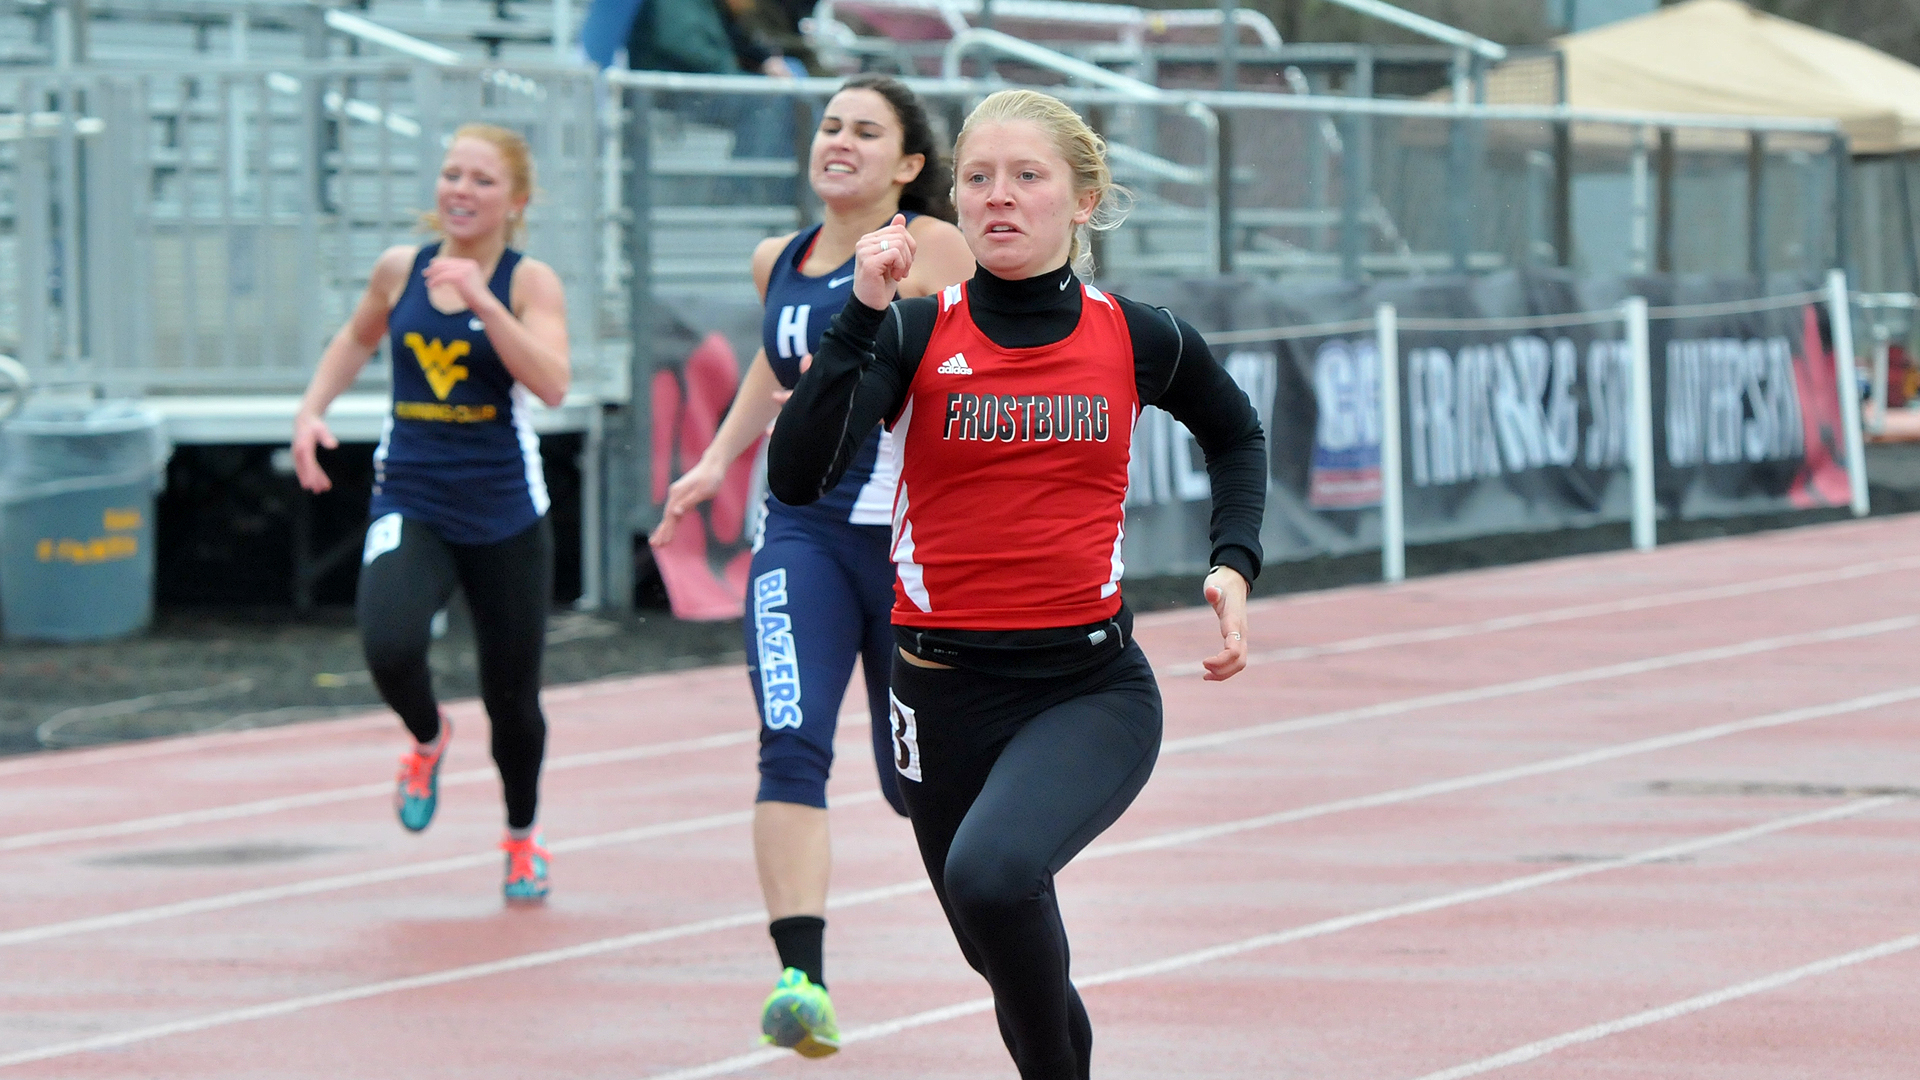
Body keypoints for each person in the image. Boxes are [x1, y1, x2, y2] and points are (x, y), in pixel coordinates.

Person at [767, 89, 1266, 1079]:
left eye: (1027, 178)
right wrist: (862, 315)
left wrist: (1233, 562)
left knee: (994, 878)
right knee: (1000, 953)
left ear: (1082, 200)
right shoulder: (914, 336)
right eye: (979, 179)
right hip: (938, 698)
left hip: (1086, 689)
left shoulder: (1138, 335)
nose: (998, 199)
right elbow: (795, 474)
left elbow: (1235, 433)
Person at [650, 74, 973, 1058]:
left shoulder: (935, 245)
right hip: (800, 533)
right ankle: (802, 980)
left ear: (909, 165)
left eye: (865, 131)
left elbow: (959, 354)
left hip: (911, 542)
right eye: (830, 125)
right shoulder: (776, 260)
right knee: (789, 740)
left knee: (911, 778)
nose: (839, 141)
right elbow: (776, 365)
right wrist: (715, 460)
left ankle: (1009, 917)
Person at [289, 123, 571, 904]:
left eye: (481, 180)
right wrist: (312, 410)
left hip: (506, 511)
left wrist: (483, 300)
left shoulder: (526, 281)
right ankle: (426, 735)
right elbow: (354, 338)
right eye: (451, 175)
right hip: (410, 494)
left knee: (511, 699)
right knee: (388, 641)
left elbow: (552, 384)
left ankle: (521, 837)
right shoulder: (399, 269)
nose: (460, 191)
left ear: (514, 200)